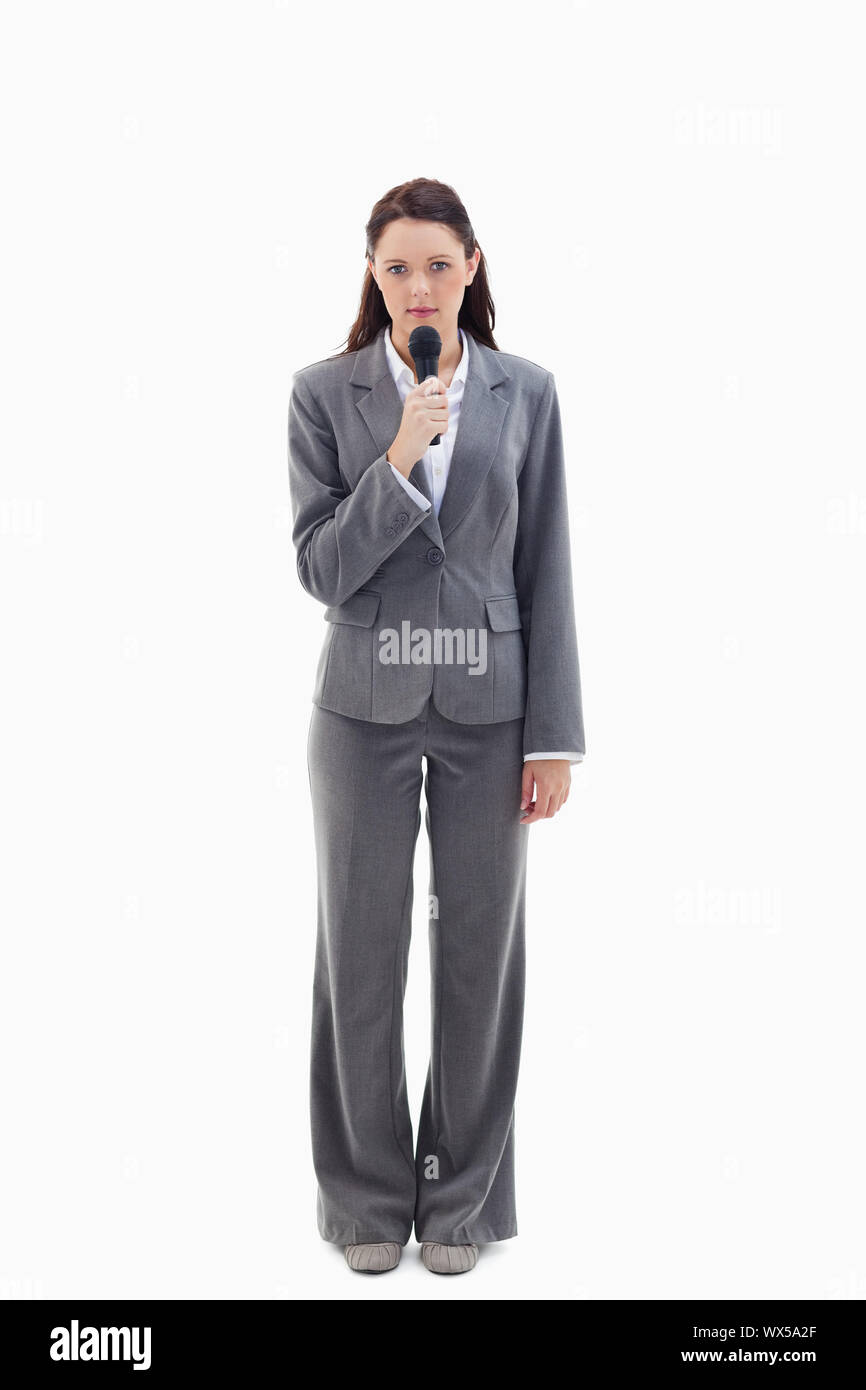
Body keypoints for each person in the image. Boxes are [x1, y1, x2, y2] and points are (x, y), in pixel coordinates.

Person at [287, 177, 586, 1276]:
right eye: (397, 267)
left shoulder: (528, 393)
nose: (419, 286)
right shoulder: (324, 395)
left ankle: (456, 1202)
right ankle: (365, 1197)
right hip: (360, 708)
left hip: (491, 710)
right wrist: (399, 458)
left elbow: (543, 564)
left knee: (478, 961)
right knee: (358, 959)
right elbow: (320, 566)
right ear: (374, 276)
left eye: (438, 264)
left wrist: (551, 735)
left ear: (472, 266)